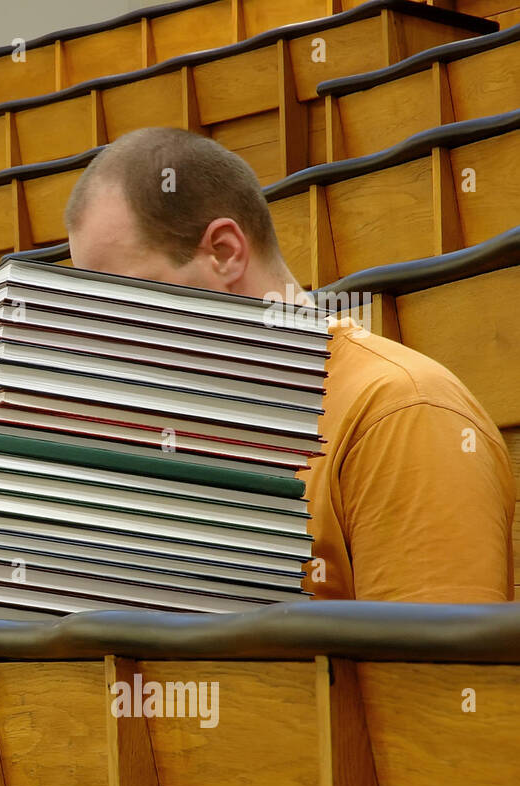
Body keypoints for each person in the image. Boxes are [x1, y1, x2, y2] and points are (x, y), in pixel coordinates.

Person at [62, 126, 514, 602]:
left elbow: (435, 675)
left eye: (130, 299)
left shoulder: (403, 413)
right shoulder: (177, 431)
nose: (112, 335)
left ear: (224, 253)